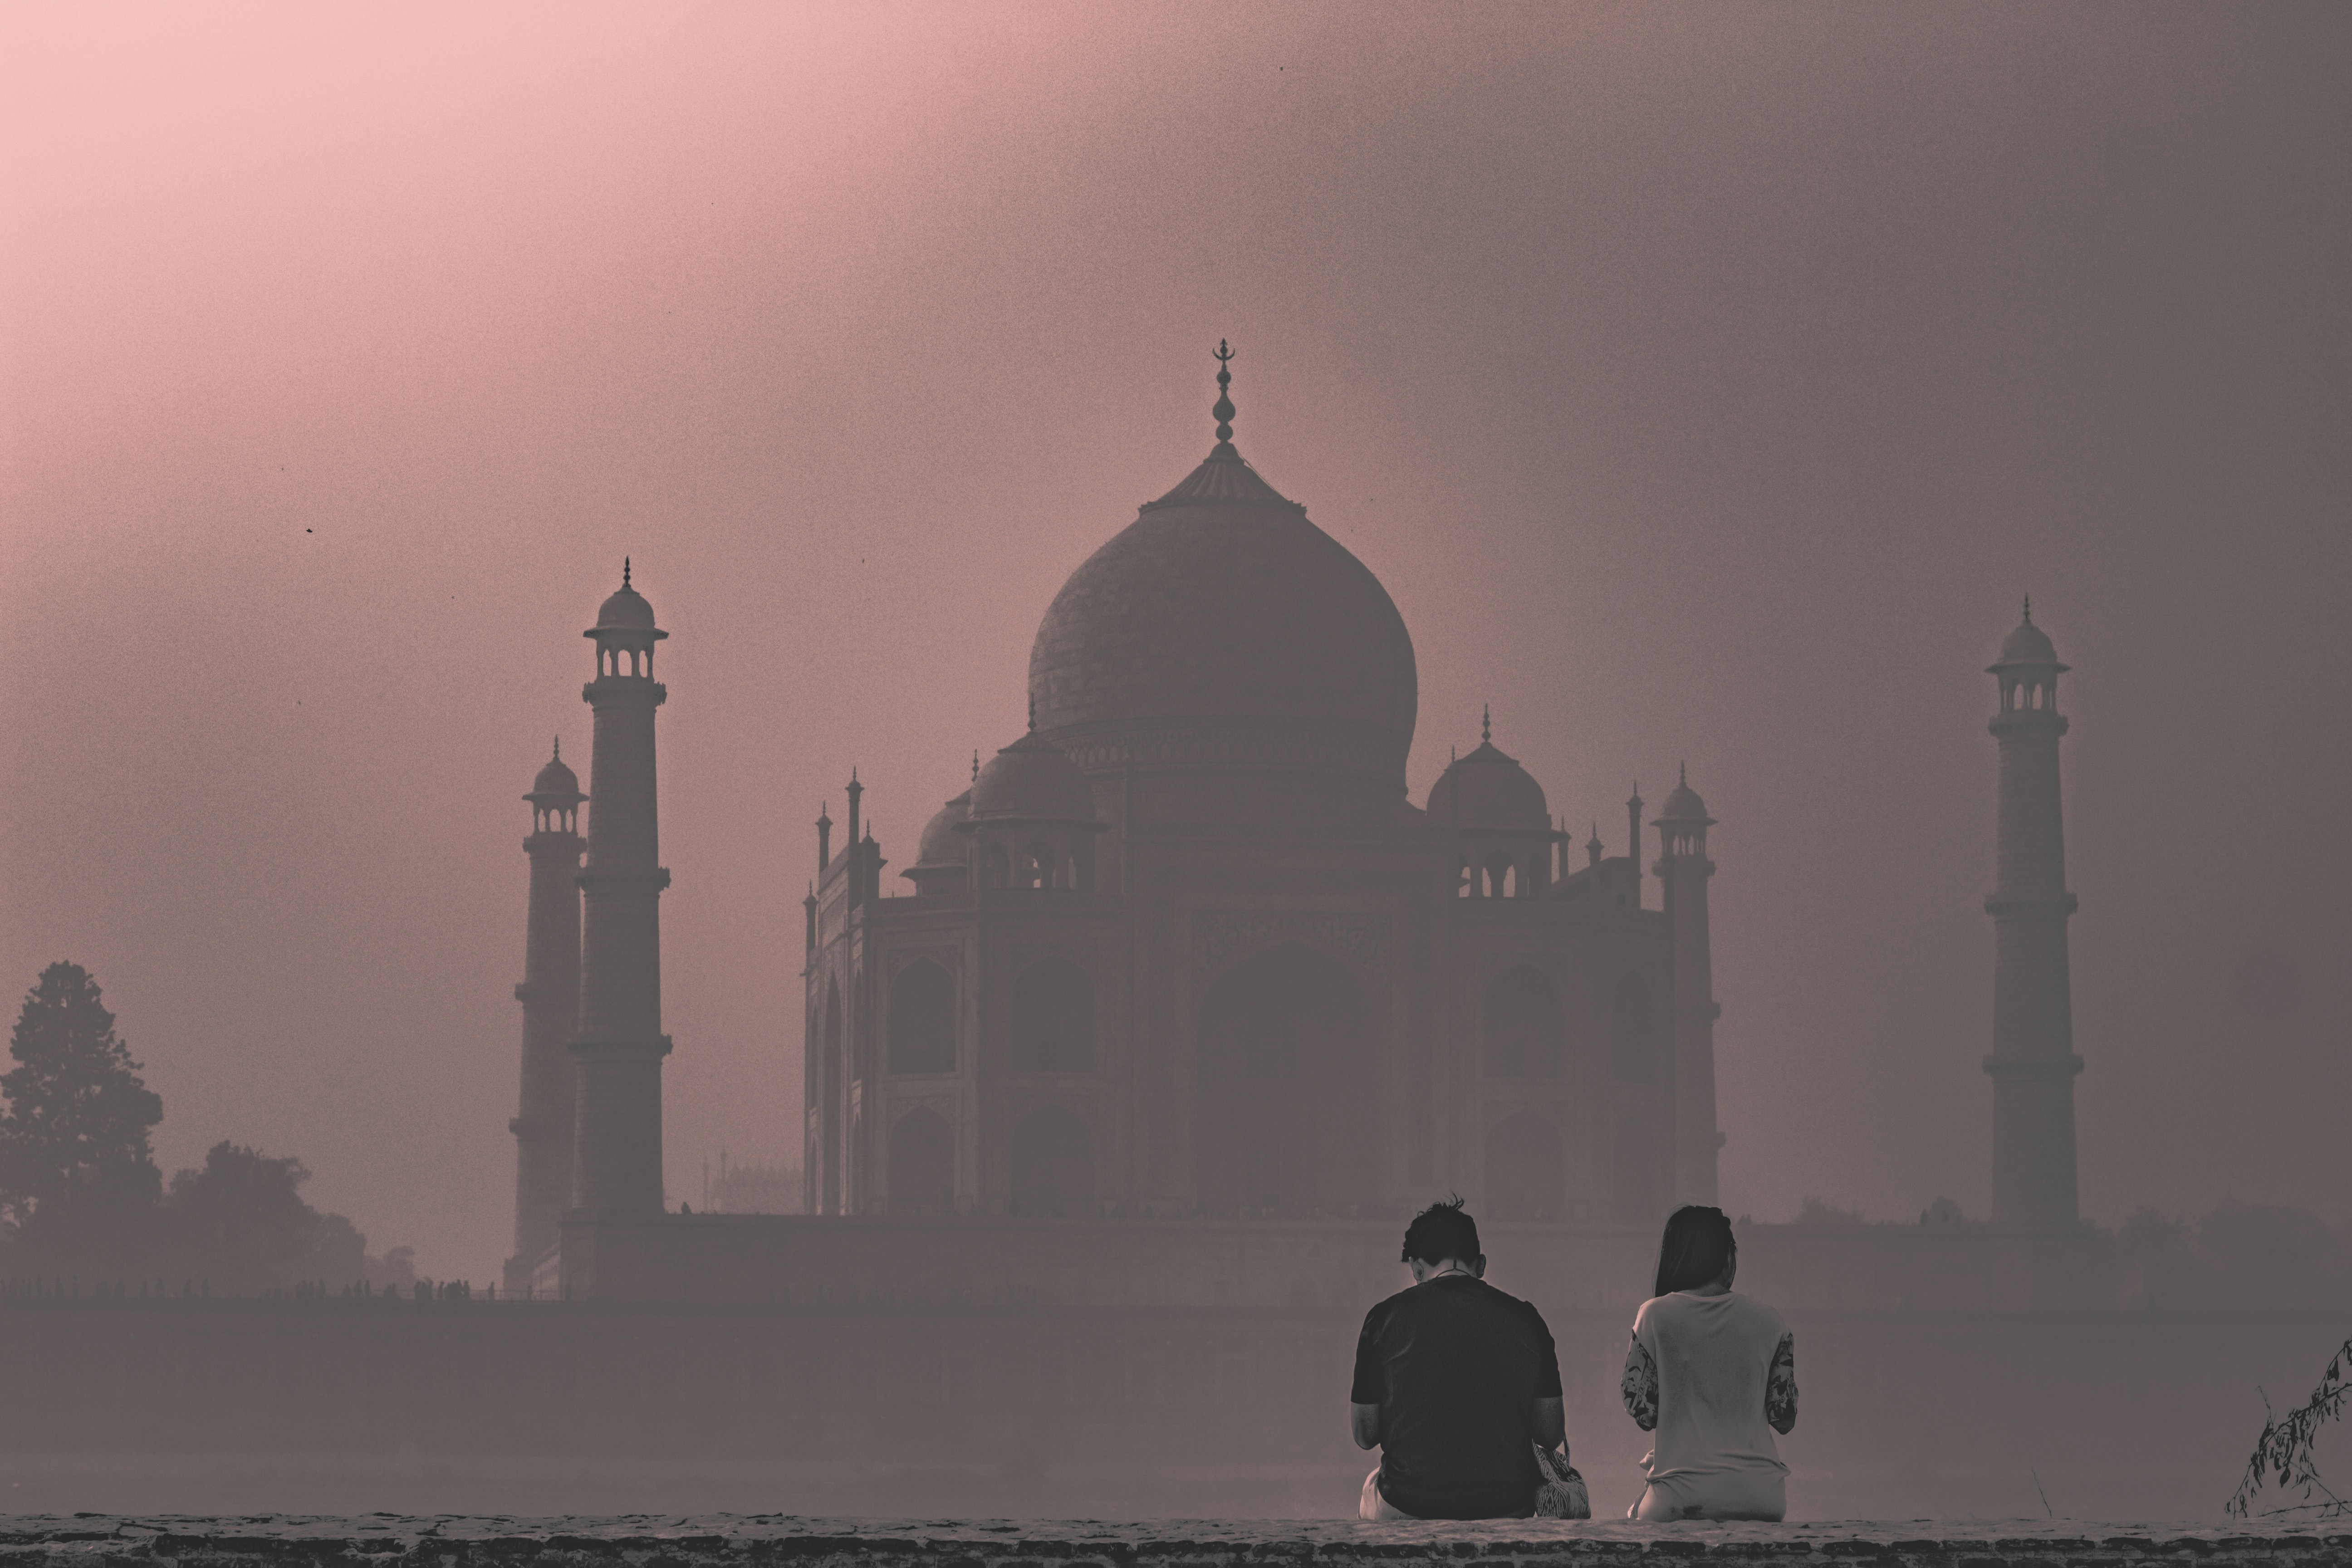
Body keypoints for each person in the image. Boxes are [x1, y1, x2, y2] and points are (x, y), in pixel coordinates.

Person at [1350, 1198, 1569, 1519]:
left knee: (1373, 1486)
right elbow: (1550, 1434)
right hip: (1506, 1507)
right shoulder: (1526, 1319)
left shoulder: (1383, 1319)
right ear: (1480, 1265)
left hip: (1409, 1504)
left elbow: (1364, 1435)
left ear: (1417, 1269)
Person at [1620, 1205, 1798, 1521]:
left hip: (1680, 1498)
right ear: (1728, 1258)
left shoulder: (1653, 1316)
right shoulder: (1772, 1322)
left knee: (1635, 1514)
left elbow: (1643, 1413)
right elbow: (1784, 1418)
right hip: (1761, 1497)